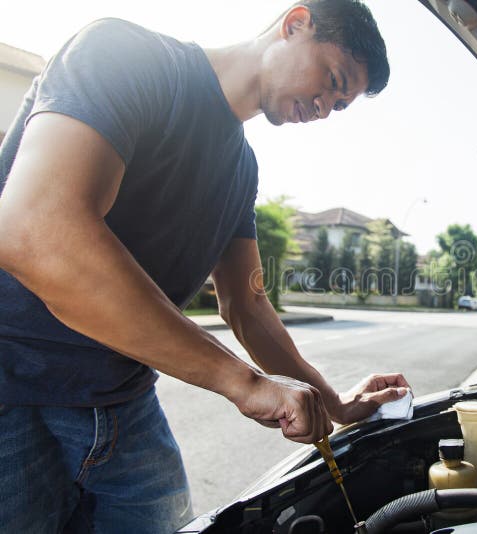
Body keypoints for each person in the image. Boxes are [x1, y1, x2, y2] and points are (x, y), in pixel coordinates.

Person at [0, 1, 409, 532]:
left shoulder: (241, 170)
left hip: (123, 405)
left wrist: (335, 404)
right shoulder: (126, 55)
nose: (326, 106)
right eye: (333, 79)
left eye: (340, 103)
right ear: (295, 23)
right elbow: (35, 230)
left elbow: (246, 301)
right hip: (13, 393)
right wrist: (244, 382)